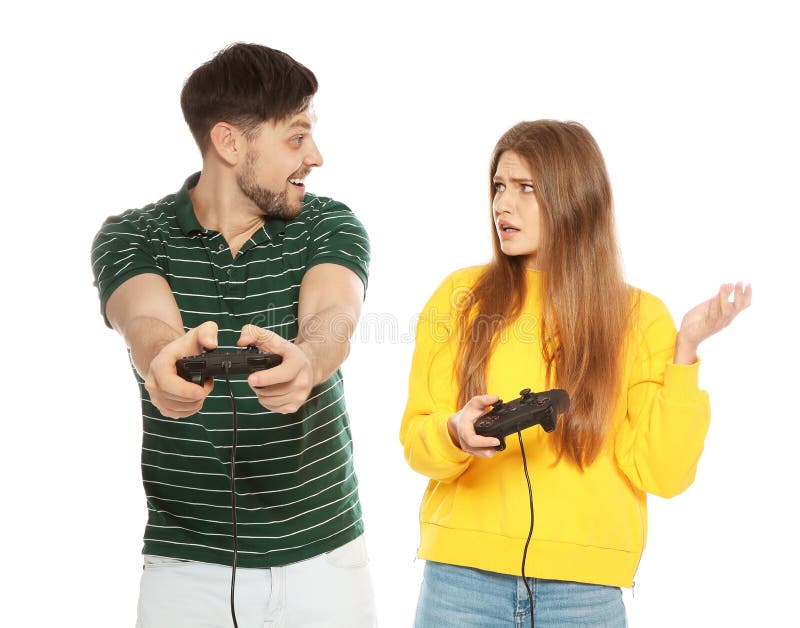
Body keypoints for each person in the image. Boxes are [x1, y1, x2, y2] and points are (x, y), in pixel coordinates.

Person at [399, 120, 751, 627]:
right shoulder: (460, 297)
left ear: (575, 199)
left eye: (526, 188)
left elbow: (664, 474)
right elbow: (416, 439)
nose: (503, 205)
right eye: (499, 186)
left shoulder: (640, 317)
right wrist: (453, 432)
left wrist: (685, 354)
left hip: (583, 594)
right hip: (461, 584)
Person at [91, 43, 376, 627]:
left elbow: (333, 317)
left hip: (325, 561)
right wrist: (162, 361)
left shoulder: (328, 223)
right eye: (296, 138)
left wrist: (309, 361)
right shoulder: (132, 236)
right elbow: (145, 322)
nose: (315, 156)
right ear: (229, 142)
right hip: (185, 570)